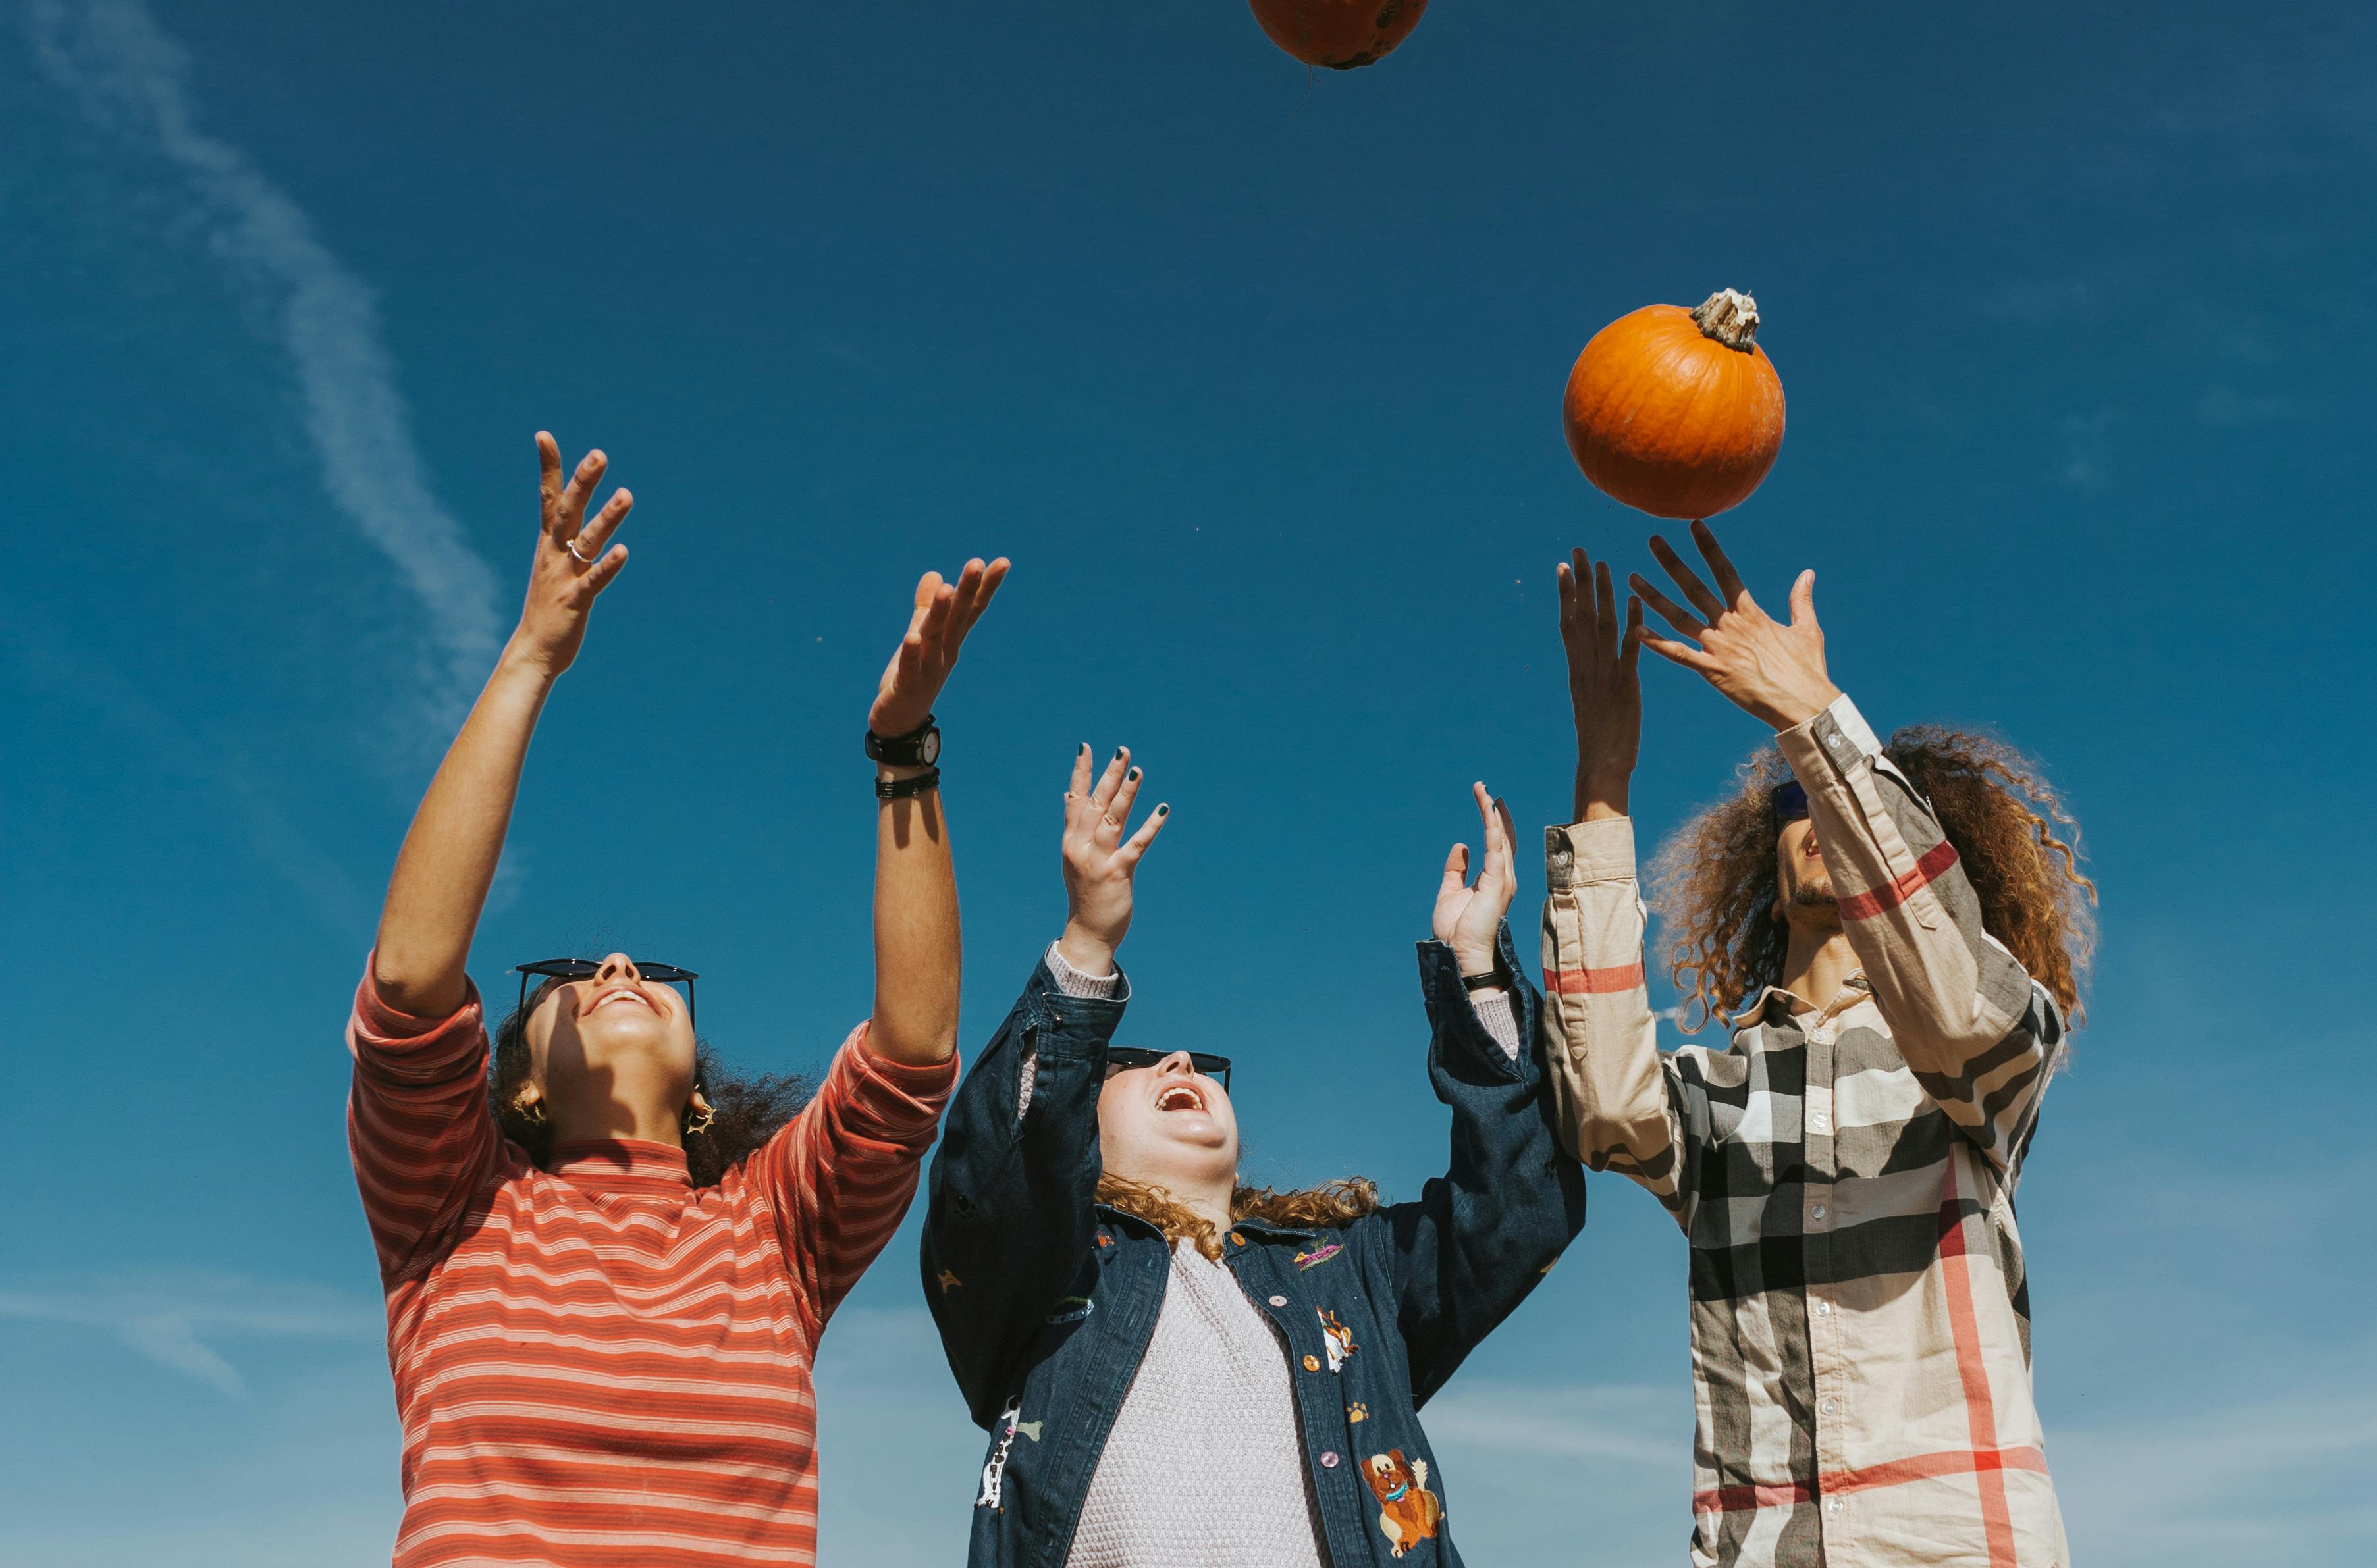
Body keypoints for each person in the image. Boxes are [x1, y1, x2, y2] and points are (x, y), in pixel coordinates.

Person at [348, 430, 1006, 1568]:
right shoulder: (450, 1206)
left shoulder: (772, 1231)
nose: (614, 972)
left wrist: (903, 750)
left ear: (699, 1084)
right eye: (568, 977)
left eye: (648, 972)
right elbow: (409, 984)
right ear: (515, 1078)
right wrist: (529, 657)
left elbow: (913, 1056)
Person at [1541, 525, 2096, 1568]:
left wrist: (1814, 721)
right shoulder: (1716, 1091)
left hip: (1959, 1542)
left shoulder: (1985, 1058)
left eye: (1848, 803)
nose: (1819, 818)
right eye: (1796, 804)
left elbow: (1952, 1003)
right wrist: (1604, 785)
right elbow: (1604, 1110)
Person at [921, 741, 1586, 1567]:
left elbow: (1520, 1207)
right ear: (1082, 1130)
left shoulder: (1353, 1271)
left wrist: (1477, 969)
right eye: (1135, 1062)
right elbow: (996, 1173)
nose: (1180, 1064)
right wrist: (1088, 943)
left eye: (1199, 1065)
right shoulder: (1051, 1271)